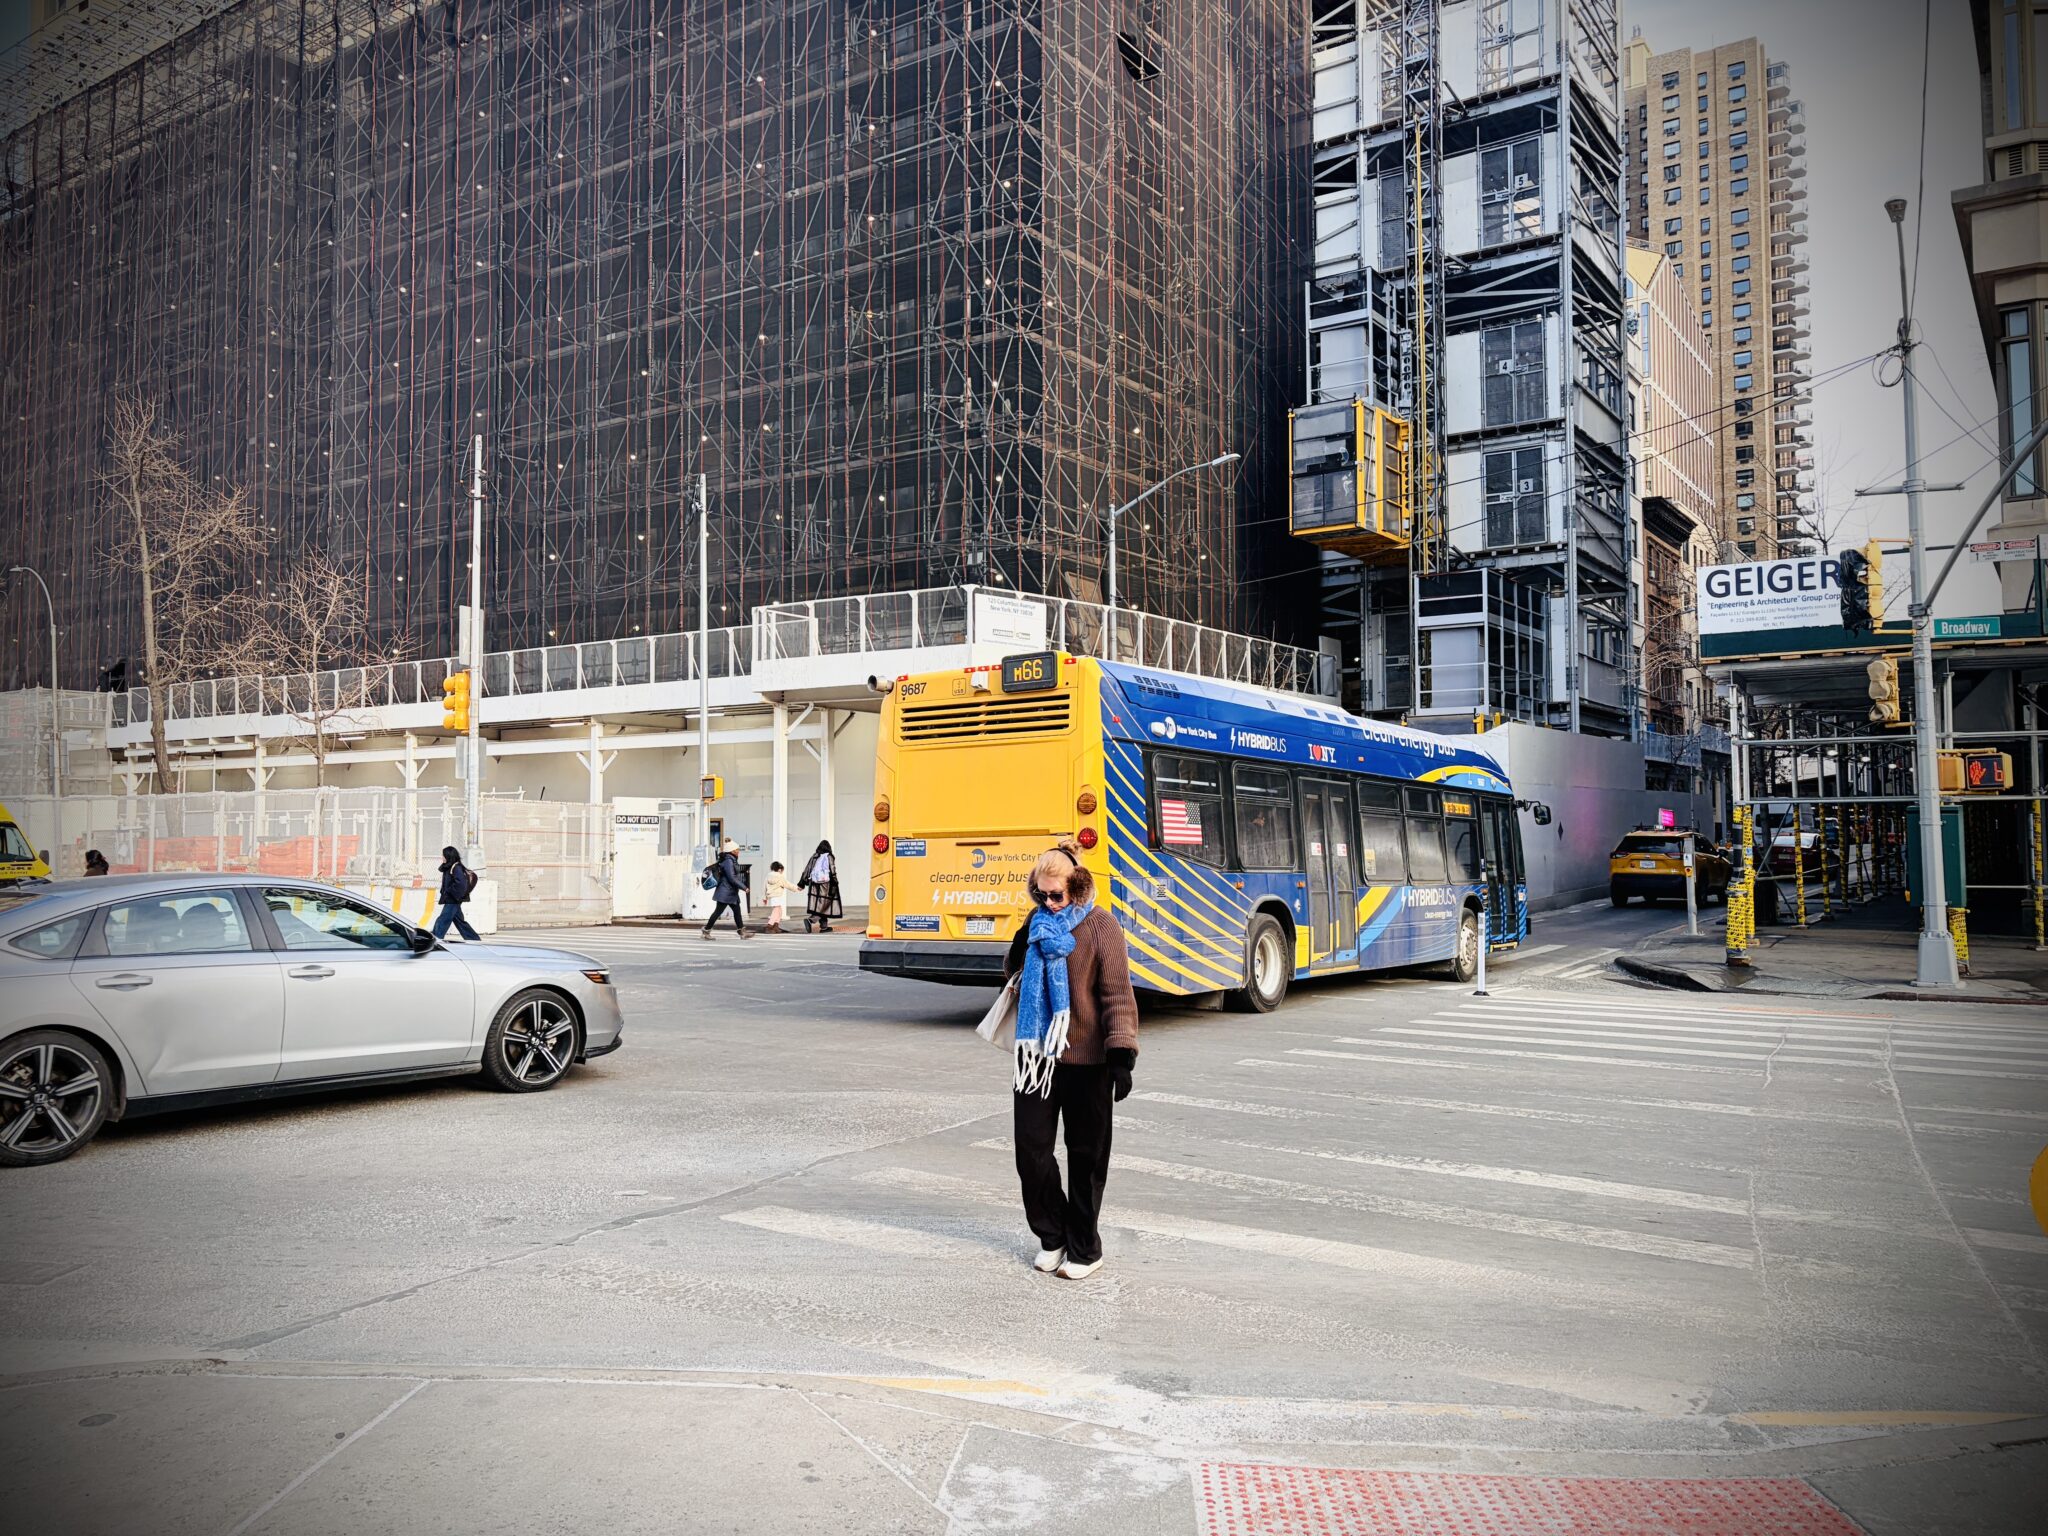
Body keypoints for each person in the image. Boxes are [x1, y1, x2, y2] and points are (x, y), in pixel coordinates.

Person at [1002, 839, 1138, 1281]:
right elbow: (1012, 976)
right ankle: (1052, 1235)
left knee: (1086, 1158)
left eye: (1055, 895)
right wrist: (1024, 936)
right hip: (1038, 1059)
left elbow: (1117, 994)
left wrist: (1121, 1054)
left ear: (1077, 887)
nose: (1048, 903)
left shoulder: (1102, 927)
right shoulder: (1038, 923)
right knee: (1032, 1153)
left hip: (1089, 1060)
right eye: (1039, 895)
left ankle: (1085, 1246)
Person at [701, 838, 750, 940]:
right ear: (732, 851)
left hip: (731, 892)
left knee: (737, 912)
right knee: (718, 912)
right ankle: (706, 931)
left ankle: (742, 933)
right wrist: (744, 887)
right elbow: (731, 877)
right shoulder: (728, 861)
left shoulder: (731, 860)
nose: (738, 851)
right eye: (737, 849)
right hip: (725, 892)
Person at [431, 845, 482, 941]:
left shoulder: (456, 867)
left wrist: (450, 892)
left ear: (449, 856)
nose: (442, 857)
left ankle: (435, 938)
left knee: (443, 919)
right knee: (459, 921)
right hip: (452, 898)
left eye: (443, 855)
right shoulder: (449, 867)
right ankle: (474, 939)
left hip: (453, 899)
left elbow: (461, 884)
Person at [798, 839, 841, 933]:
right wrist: (835, 881)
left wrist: (802, 883)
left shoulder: (815, 856)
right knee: (825, 904)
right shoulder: (829, 856)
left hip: (813, 884)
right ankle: (811, 920)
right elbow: (832, 869)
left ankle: (824, 927)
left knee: (820, 904)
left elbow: (807, 869)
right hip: (825, 884)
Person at [762, 860, 797, 934]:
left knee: (779, 911)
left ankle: (776, 926)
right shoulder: (780, 876)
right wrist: (797, 888)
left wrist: (765, 898)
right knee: (776, 910)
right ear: (779, 869)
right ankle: (770, 925)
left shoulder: (768, 876)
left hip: (772, 896)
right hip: (777, 895)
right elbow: (787, 884)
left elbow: (764, 887)